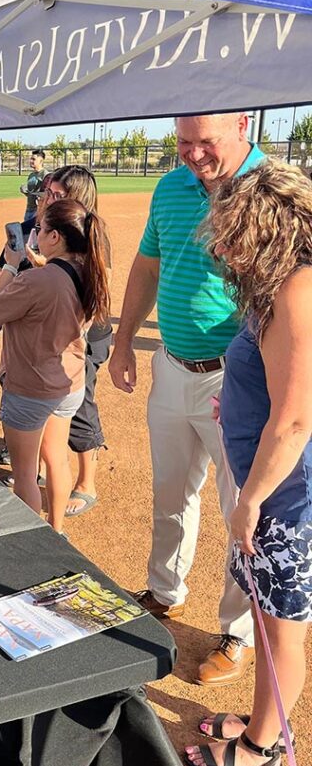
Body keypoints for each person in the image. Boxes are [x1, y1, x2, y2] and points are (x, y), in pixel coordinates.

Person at [108, 112, 263, 686]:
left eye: (206, 142)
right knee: (171, 490)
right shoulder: (171, 186)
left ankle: (238, 629)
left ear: (243, 126)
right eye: (183, 141)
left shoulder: (266, 190)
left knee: (241, 510)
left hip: (239, 379)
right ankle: (164, 589)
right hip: (171, 366)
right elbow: (149, 266)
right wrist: (122, 342)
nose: (193, 154)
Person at [184, 160, 312, 766]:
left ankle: (261, 749)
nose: (226, 249)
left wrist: (250, 499)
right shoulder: (281, 289)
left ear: (269, 228)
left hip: (286, 497)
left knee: (281, 628)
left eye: (235, 233)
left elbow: (293, 423)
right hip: (272, 488)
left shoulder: (298, 291)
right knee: (264, 616)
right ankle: (262, 721)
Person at [0, 197, 110, 532]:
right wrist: (40, 264)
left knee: (25, 475)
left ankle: (34, 544)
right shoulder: (87, 270)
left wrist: (11, 267)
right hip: (68, 383)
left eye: (41, 229)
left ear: (55, 238)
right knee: (56, 458)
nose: (35, 233)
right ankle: (57, 531)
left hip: (31, 387)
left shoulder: (38, 281)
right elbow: (55, 286)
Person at [21, 148, 47, 221]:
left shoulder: (45, 175)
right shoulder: (31, 175)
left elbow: (47, 193)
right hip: (29, 209)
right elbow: (30, 193)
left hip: (38, 210)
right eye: (31, 159)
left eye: (33, 159)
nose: (31, 161)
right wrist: (25, 191)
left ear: (41, 161)